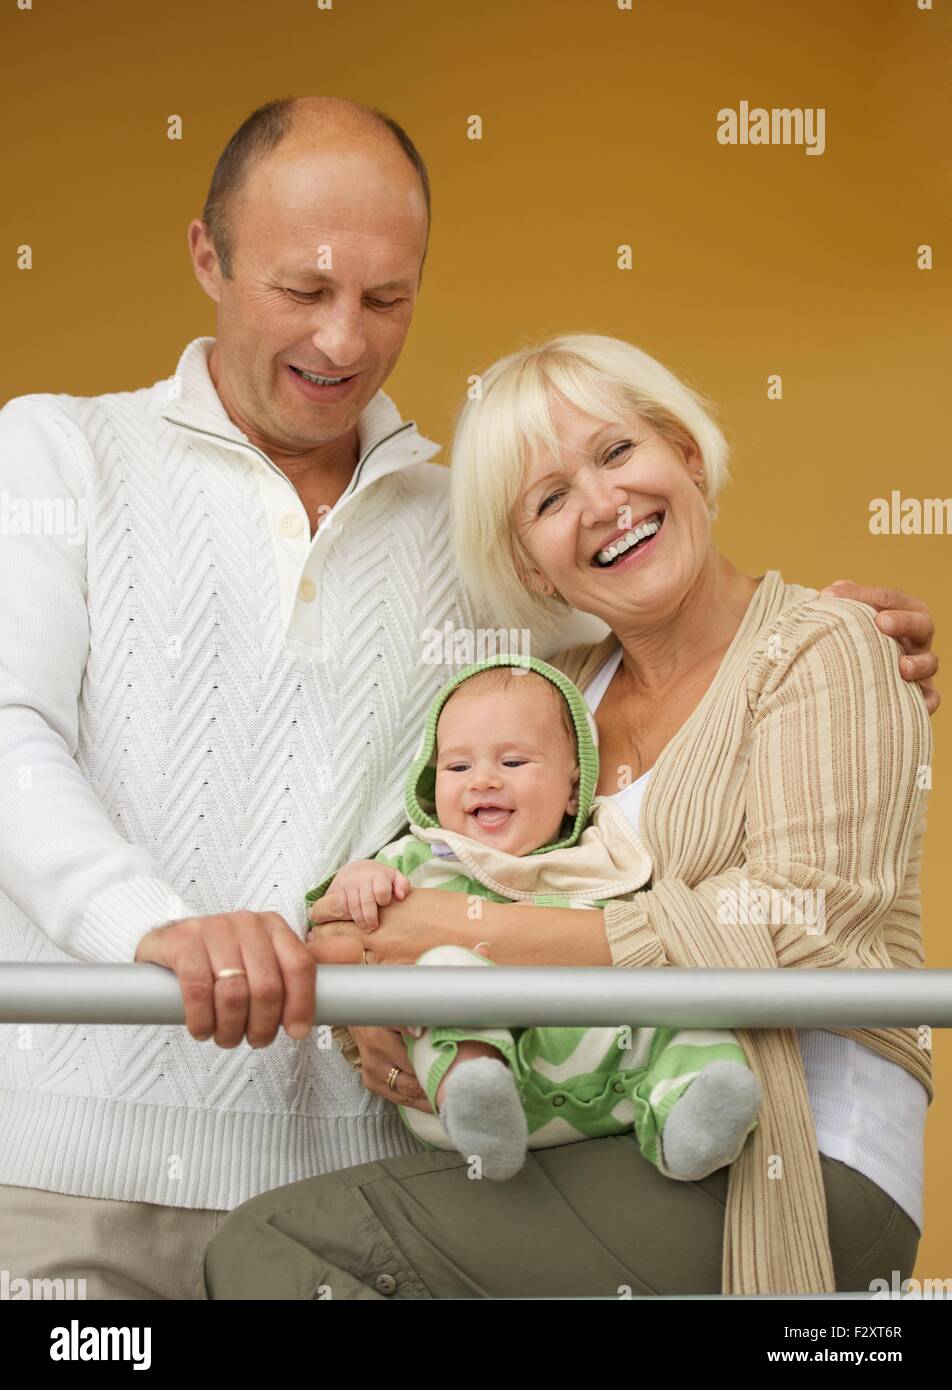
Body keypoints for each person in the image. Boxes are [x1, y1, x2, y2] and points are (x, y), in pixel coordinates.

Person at [0, 93, 937, 1301]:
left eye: (387, 299)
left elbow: (664, 653)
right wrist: (154, 924)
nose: (344, 340)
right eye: (303, 289)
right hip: (75, 1162)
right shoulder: (55, 454)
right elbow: (9, 729)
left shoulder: (478, 536)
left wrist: (836, 637)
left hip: (379, 1168)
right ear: (207, 258)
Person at [205, 333, 937, 1299]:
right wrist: (369, 994)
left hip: (801, 1151)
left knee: (278, 1253)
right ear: (536, 570)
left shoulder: (826, 648)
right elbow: (421, 868)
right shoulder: (556, 703)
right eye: (548, 501)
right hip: (592, 1126)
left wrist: (482, 936)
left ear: (684, 450)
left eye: (617, 452)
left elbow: (802, 928)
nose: (601, 505)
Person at [306, 655, 762, 1185]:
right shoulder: (421, 859)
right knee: (449, 969)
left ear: (573, 791)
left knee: (692, 1011)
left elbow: (659, 935)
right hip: (460, 1107)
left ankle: (687, 1124)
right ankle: (474, 1089)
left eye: (513, 763)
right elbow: (333, 919)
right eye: (458, 768)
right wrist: (359, 878)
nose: (482, 782)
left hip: (615, 1083)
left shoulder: (605, 856)